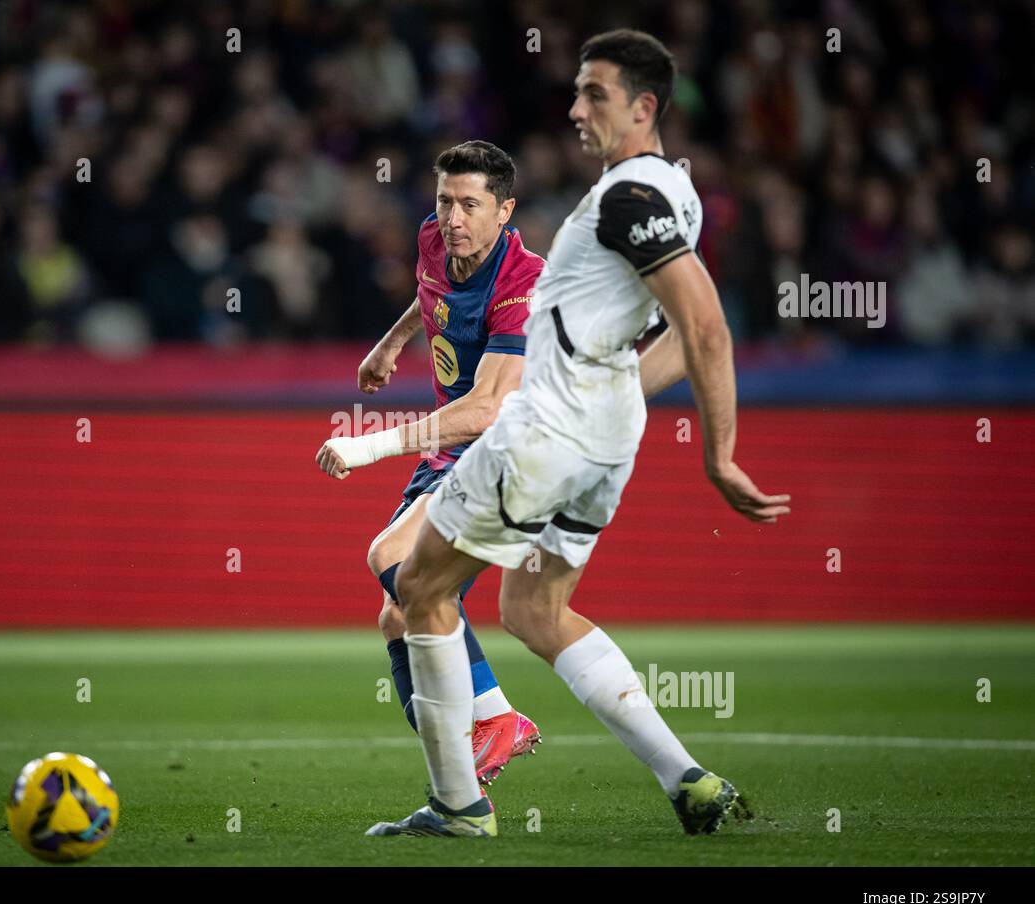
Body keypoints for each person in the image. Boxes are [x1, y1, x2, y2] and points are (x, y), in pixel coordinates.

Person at [367, 30, 791, 838]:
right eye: (576, 92)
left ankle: (463, 801)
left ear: (644, 107)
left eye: (593, 94)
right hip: (604, 438)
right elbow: (673, 330)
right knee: (533, 608)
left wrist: (720, 455)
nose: (575, 109)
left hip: (542, 432)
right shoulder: (674, 195)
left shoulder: (628, 202)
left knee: (411, 586)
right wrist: (613, 391)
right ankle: (689, 779)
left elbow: (705, 329)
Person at [315, 141, 545, 784]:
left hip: (509, 451)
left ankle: (496, 715)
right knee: (398, 616)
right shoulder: (434, 241)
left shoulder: (523, 279)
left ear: (505, 210)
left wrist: (368, 445)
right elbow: (430, 292)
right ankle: (461, 792)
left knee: (390, 557)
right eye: (445, 201)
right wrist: (390, 345)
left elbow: (488, 408)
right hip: (453, 452)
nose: (453, 218)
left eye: (471, 205)